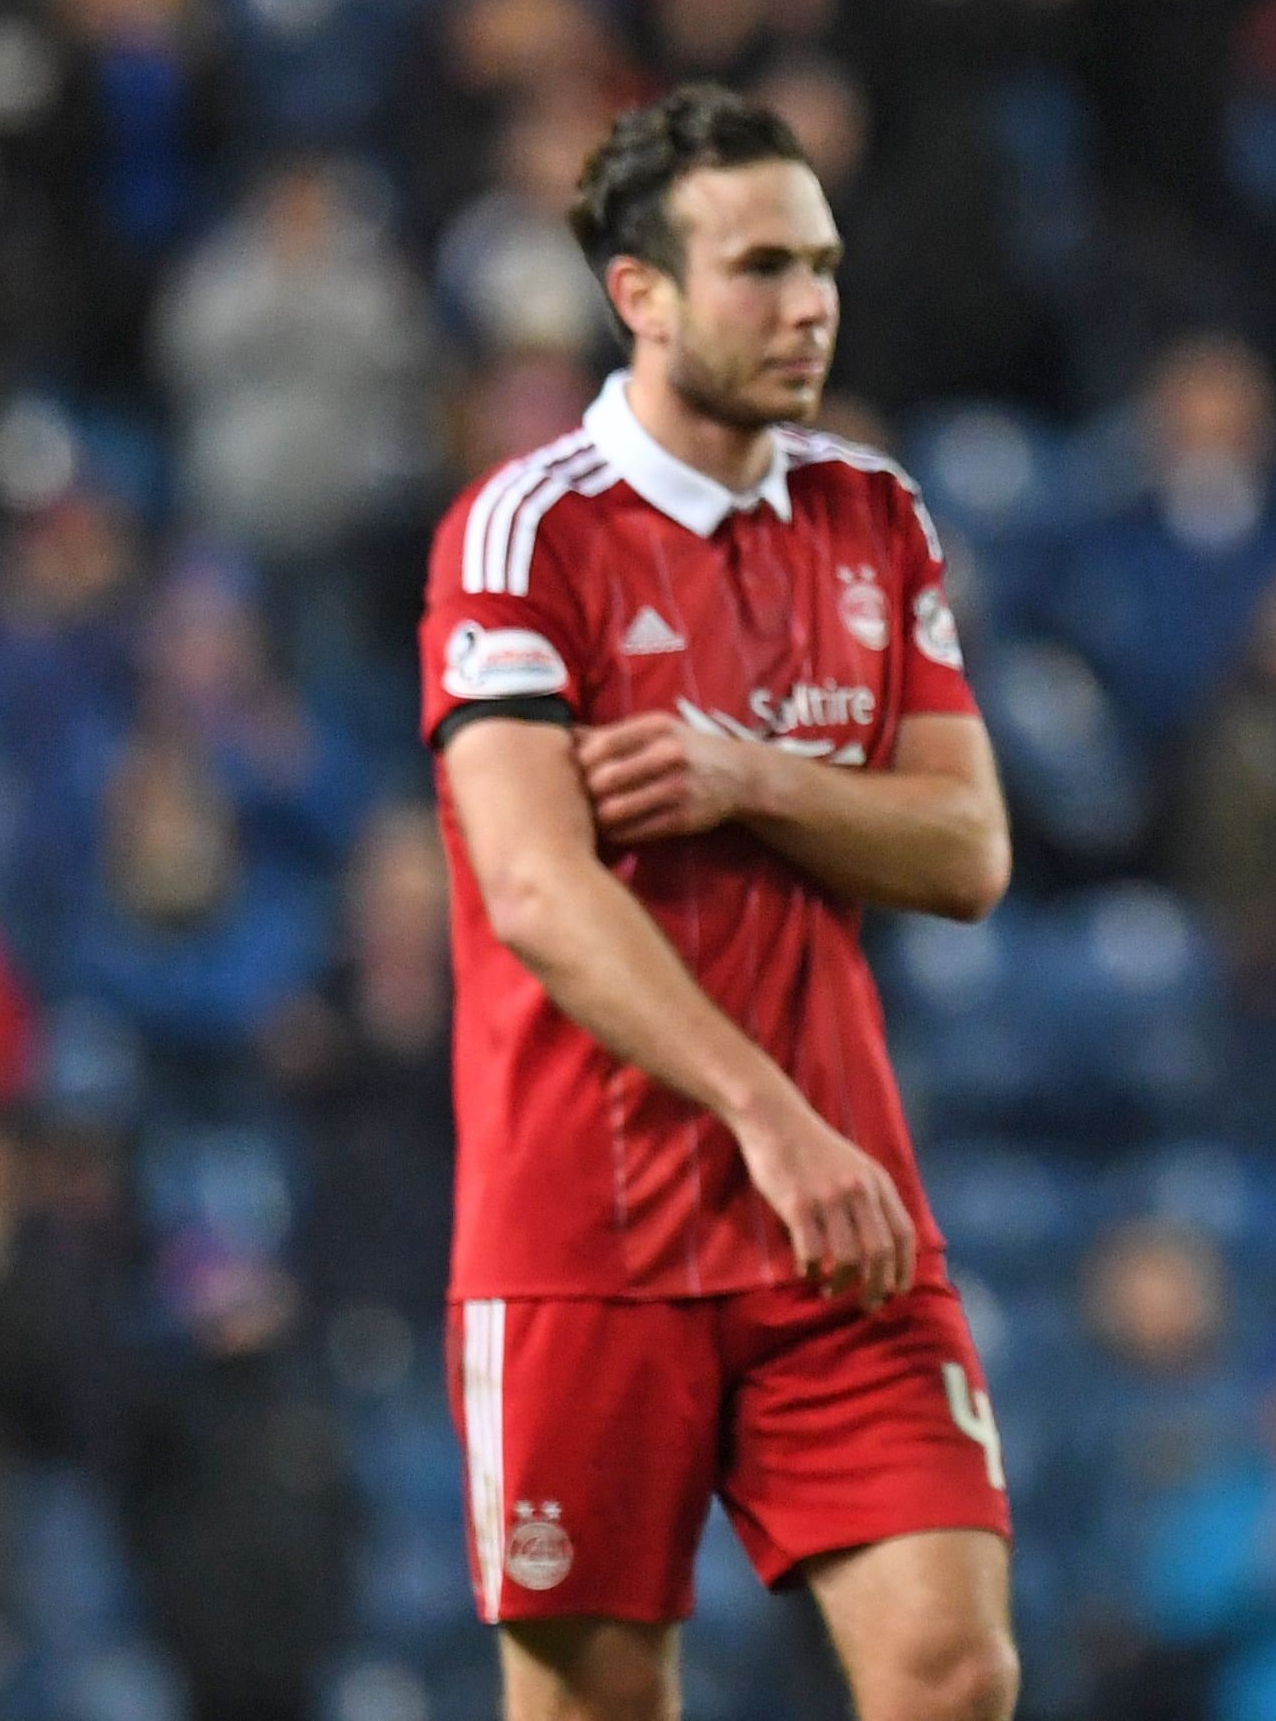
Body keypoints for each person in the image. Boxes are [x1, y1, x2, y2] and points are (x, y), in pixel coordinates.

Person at [418, 85, 1018, 1721]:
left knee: (953, 1672)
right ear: (643, 296)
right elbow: (536, 885)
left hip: (838, 1224)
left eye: (822, 263)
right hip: (588, 1230)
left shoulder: (872, 516)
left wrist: (752, 775)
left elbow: (966, 851)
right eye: (760, 267)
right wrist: (767, 1109)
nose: (810, 305)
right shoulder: (522, 534)